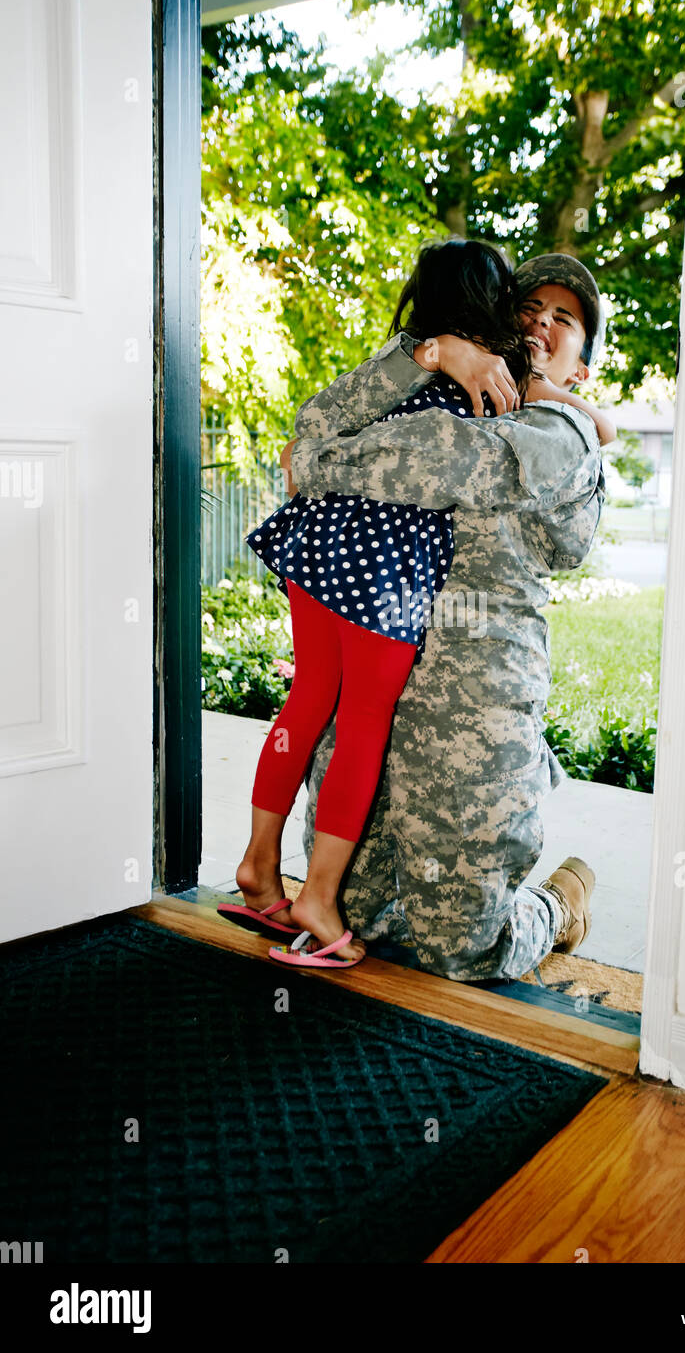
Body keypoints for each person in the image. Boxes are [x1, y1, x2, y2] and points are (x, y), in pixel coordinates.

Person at [273, 253, 614, 982]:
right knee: (348, 914)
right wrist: (428, 351)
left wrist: (319, 465)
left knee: (461, 948)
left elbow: (446, 461)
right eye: (532, 306)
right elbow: (315, 418)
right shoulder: (436, 378)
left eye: (567, 320)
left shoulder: (565, 434)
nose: (543, 320)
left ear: (580, 370)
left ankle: (557, 904)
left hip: (472, 715)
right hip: (374, 693)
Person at [220, 239, 549, 966]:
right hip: (387, 563)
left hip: (322, 537)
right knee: (365, 721)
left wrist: (430, 352)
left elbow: (315, 420)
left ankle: (259, 864)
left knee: (307, 699)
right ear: (494, 302)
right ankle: (319, 897)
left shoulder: (402, 360)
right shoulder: (494, 374)